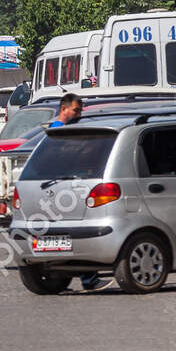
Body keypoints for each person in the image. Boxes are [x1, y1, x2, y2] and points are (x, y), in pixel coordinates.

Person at [46, 95, 100, 291]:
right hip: (65, 192)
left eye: (80, 110)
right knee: (77, 232)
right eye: (76, 110)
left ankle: (67, 276)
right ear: (64, 109)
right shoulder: (59, 132)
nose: (79, 114)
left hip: (60, 191)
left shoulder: (57, 131)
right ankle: (88, 278)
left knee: (65, 236)